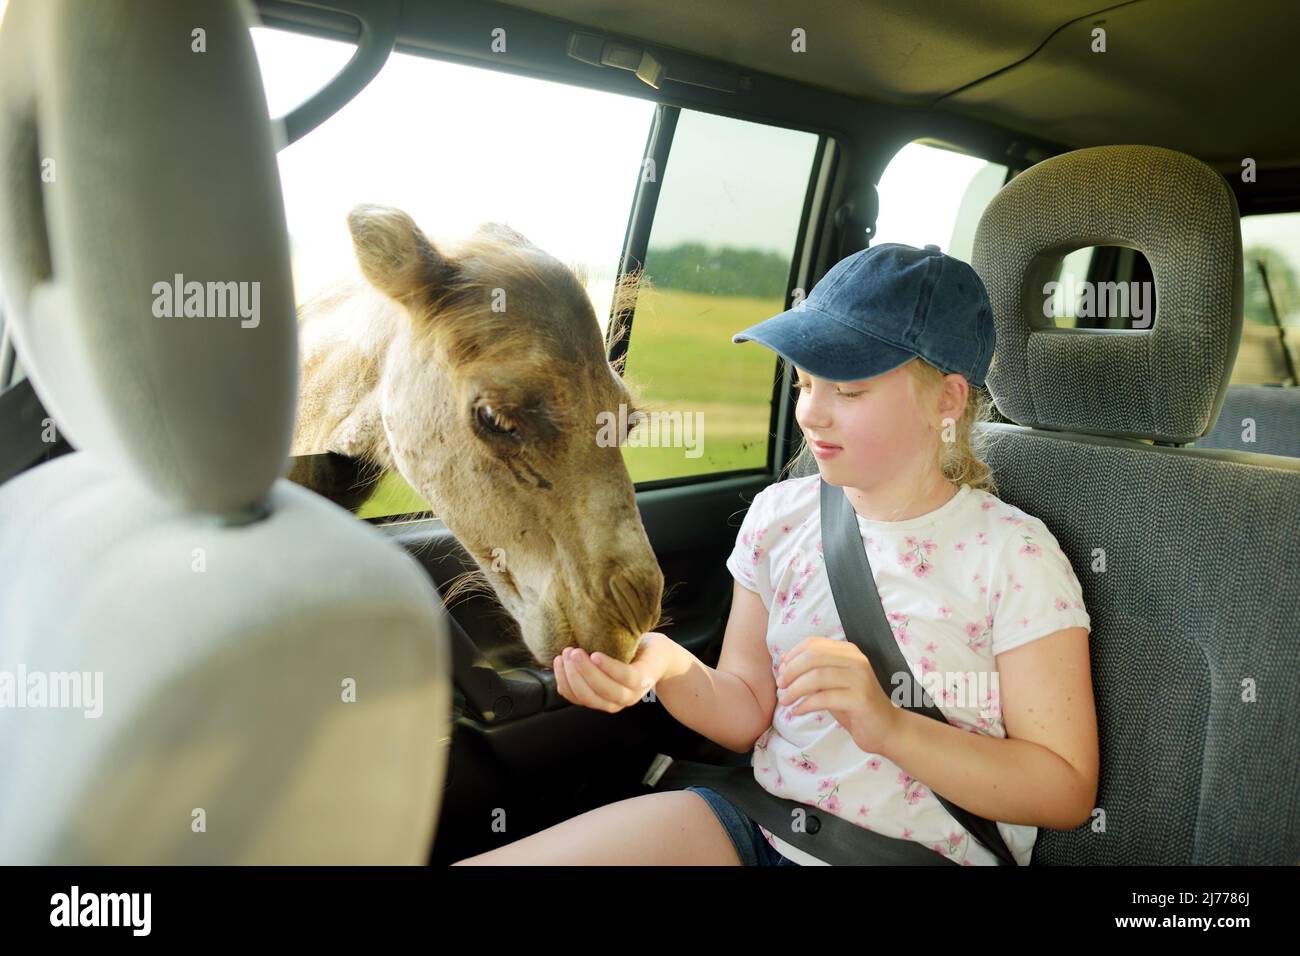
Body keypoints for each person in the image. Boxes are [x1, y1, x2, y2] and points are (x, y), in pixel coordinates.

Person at [450, 243, 1098, 866]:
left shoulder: (1012, 556)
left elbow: (1063, 791)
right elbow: (743, 713)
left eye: (848, 392)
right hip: (761, 824)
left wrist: (889, 726)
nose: (812, 413)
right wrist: (663, 666)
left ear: (947, 401)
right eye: (804, 383)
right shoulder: (779, 518)